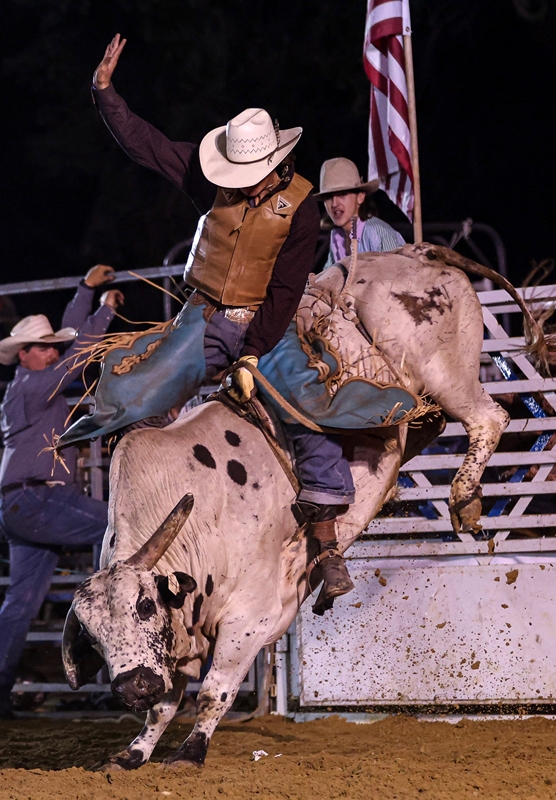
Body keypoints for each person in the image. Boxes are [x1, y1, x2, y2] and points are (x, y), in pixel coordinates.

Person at [90, 34, 354, 612]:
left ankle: (328, 543)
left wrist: (253, 353)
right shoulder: (210, 178)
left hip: (266, 322)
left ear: (276, 163)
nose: (241, 182)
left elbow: (285, 290)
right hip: (202, 316)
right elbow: (147, 145)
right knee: (132, 396)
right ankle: (131, 537)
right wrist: (106, 94)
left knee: (305, 408)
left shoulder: (302, 208)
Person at [0, 265, 123, 718]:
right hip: (36, 499)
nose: (52, 354)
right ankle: (122, 657)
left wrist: (85, 292)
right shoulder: (35, 386)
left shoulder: (27, 388)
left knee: (20, 605)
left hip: (20, 505)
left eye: (51, 347)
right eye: (43, 348)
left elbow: (70, 345)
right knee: (123, 525)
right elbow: (77, 354)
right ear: (25, 354)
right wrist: (102, 308)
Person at [315, 157, 405, 266]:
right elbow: (327, 278)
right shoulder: (337, 236)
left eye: (342, 194)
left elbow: (399, 275)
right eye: (328, 197)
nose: (334, 203)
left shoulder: (378, 233)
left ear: (360, 197)